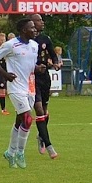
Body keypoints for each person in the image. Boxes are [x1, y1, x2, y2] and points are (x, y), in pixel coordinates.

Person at [0, 17, 43, 168]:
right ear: (23, 30)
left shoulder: (34, 45)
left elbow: (30, 65)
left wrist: (38, 68)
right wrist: (5, 74)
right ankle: (20, 152)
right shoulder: (11, 45)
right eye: (32, 27)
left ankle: (10, 152)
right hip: (16, 88)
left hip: (30, 87)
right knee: (27, 119)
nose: (35, 29)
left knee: (20, 121)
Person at [31, 18, 60, 159]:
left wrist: (56, 63)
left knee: (45, 109)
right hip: (32, 77)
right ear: (32, 23)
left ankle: (41, 135)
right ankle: (49, 146)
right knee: (39, 109)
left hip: (45, 77)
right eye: (39, 20)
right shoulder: (26, 41)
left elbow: (53, 54)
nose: (42, 22)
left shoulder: (45, 39)